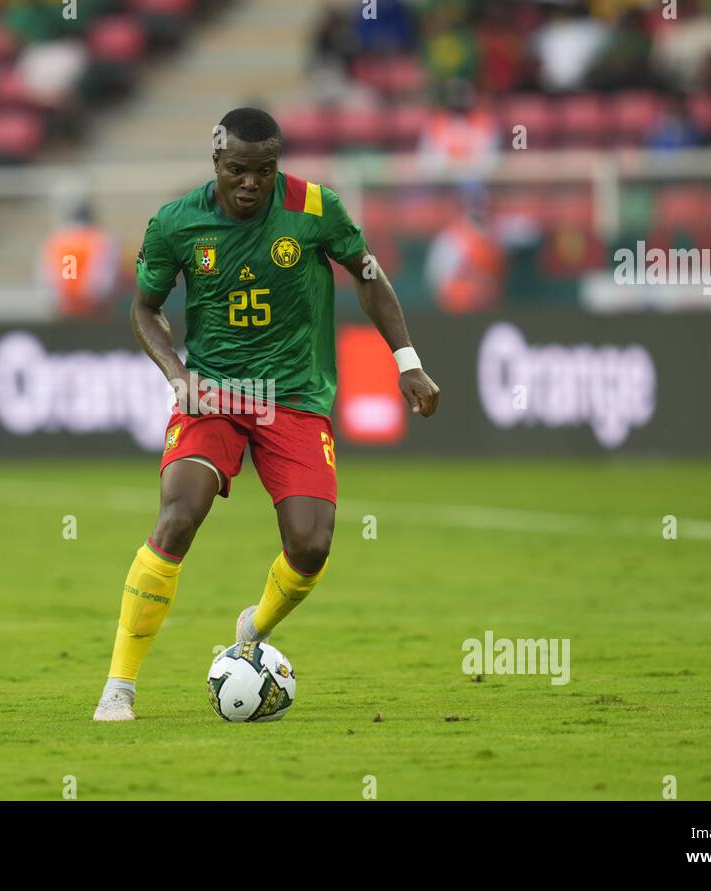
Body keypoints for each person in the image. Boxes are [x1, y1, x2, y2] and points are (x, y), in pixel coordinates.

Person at [92, 108, 441, 721]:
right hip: (216, 396)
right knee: (179, 514)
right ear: (216, 165)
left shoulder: (313, 207)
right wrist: (178, 377)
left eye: (264, 170)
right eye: (238, 170)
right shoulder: (177, 223)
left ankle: (253, 626)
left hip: (295, 397)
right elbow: (144, 310)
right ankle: (119, 686)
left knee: (311, 546)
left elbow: (368, 274)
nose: (252, 183)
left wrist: (406, 359)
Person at [36, 203, 119, 318]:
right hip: (92, 306)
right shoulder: (101, 239)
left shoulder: (56, 239)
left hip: (63, 305)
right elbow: (105, 275)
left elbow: (46, 272)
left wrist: (55, 297)